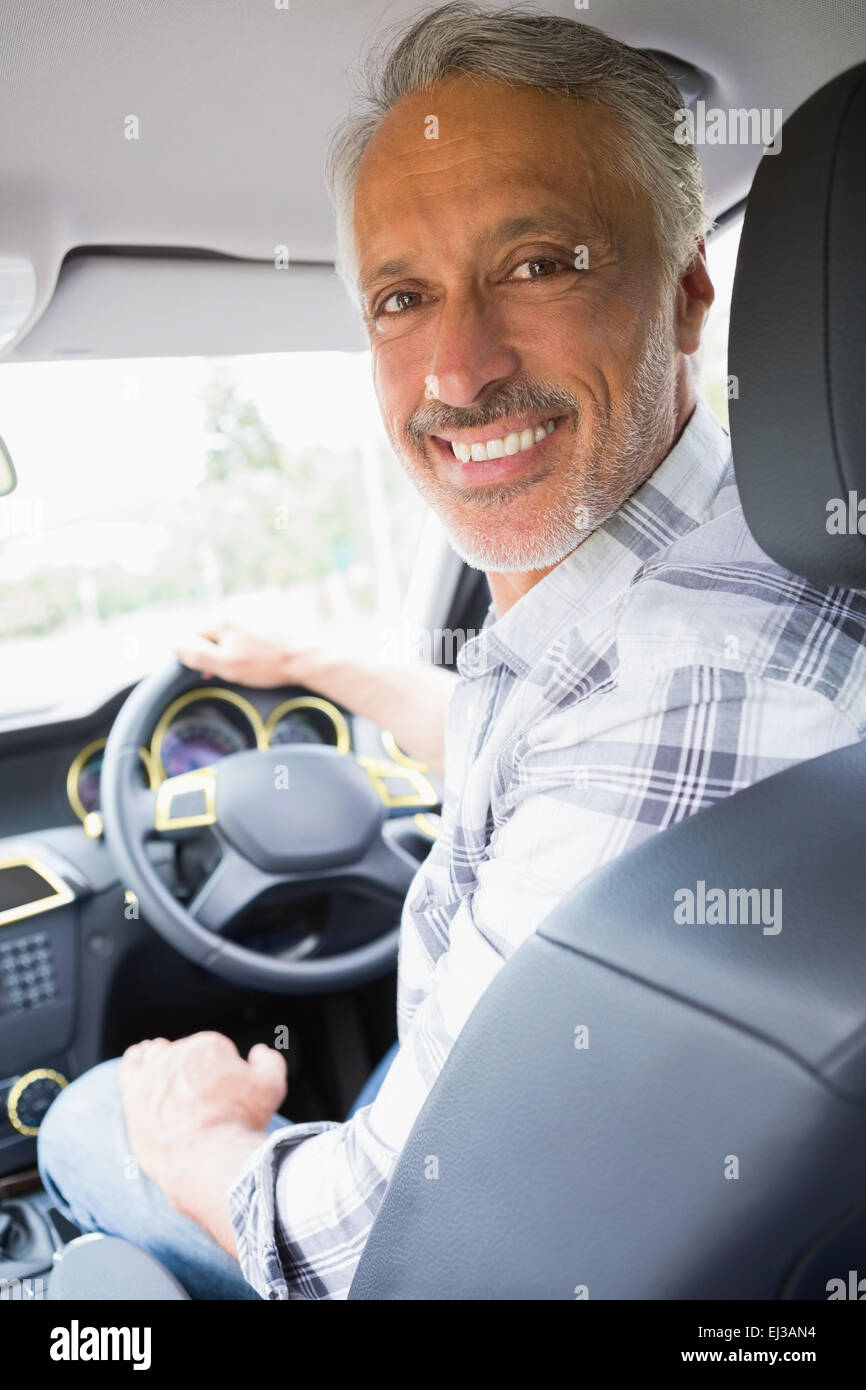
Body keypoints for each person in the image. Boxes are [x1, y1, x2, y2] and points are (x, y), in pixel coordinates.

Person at [38, 2, 866, 1300]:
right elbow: (551, 733)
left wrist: (191, 1128)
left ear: (690, 292)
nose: (458, 371)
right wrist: (321, 664)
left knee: (83, 1119)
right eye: (401, 297)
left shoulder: (698, 680)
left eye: (538, 263)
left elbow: (361, 1249)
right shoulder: (717, 573)